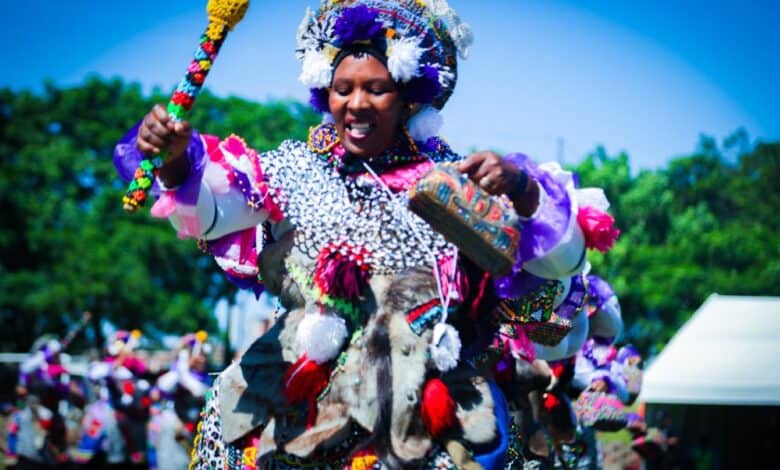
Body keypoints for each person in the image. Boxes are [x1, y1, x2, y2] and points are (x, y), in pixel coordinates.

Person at [114, 1, 620, 467]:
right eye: (343, 88)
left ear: (407, 99)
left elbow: (556, 266)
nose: (356, 104)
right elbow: (211, 210)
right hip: (297, 389)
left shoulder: (454, 180)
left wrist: (524, 191)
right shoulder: (293, 169)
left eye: (376, 89)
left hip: (427, 400)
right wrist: (177, 159)